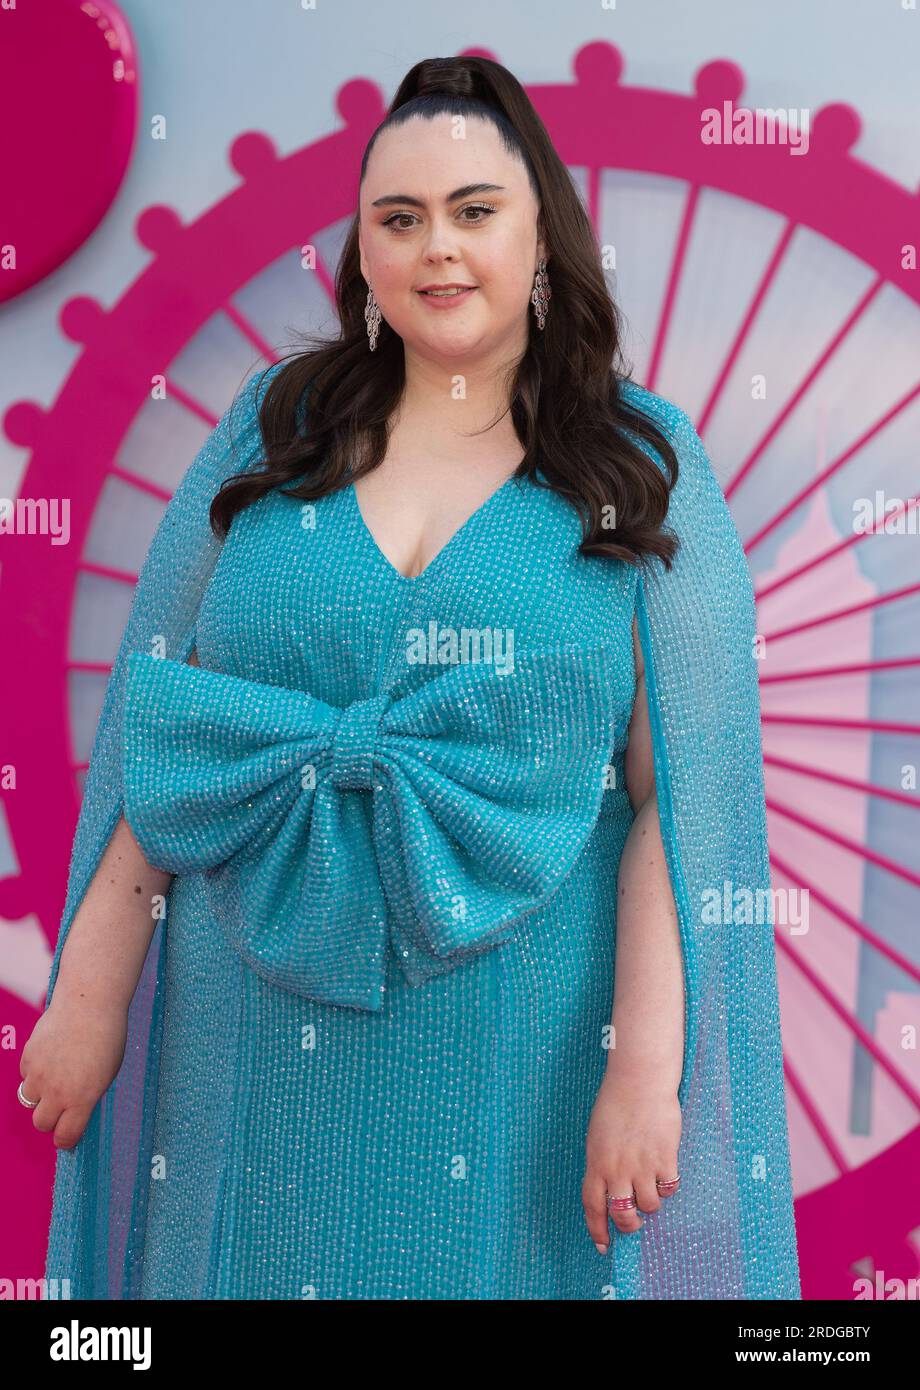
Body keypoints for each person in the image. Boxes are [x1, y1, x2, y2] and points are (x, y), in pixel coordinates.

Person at [22, 55, 800, 1299]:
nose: (436, 247)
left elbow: (678, 800)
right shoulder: (276, 424)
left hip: (526, 1057)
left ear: (541, 237)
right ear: (364, 254)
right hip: (260, 1037)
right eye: (399, 218)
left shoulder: (637, 457)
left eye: (473, 211)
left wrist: (643, 1073)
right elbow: (185, 734)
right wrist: (91, 989)